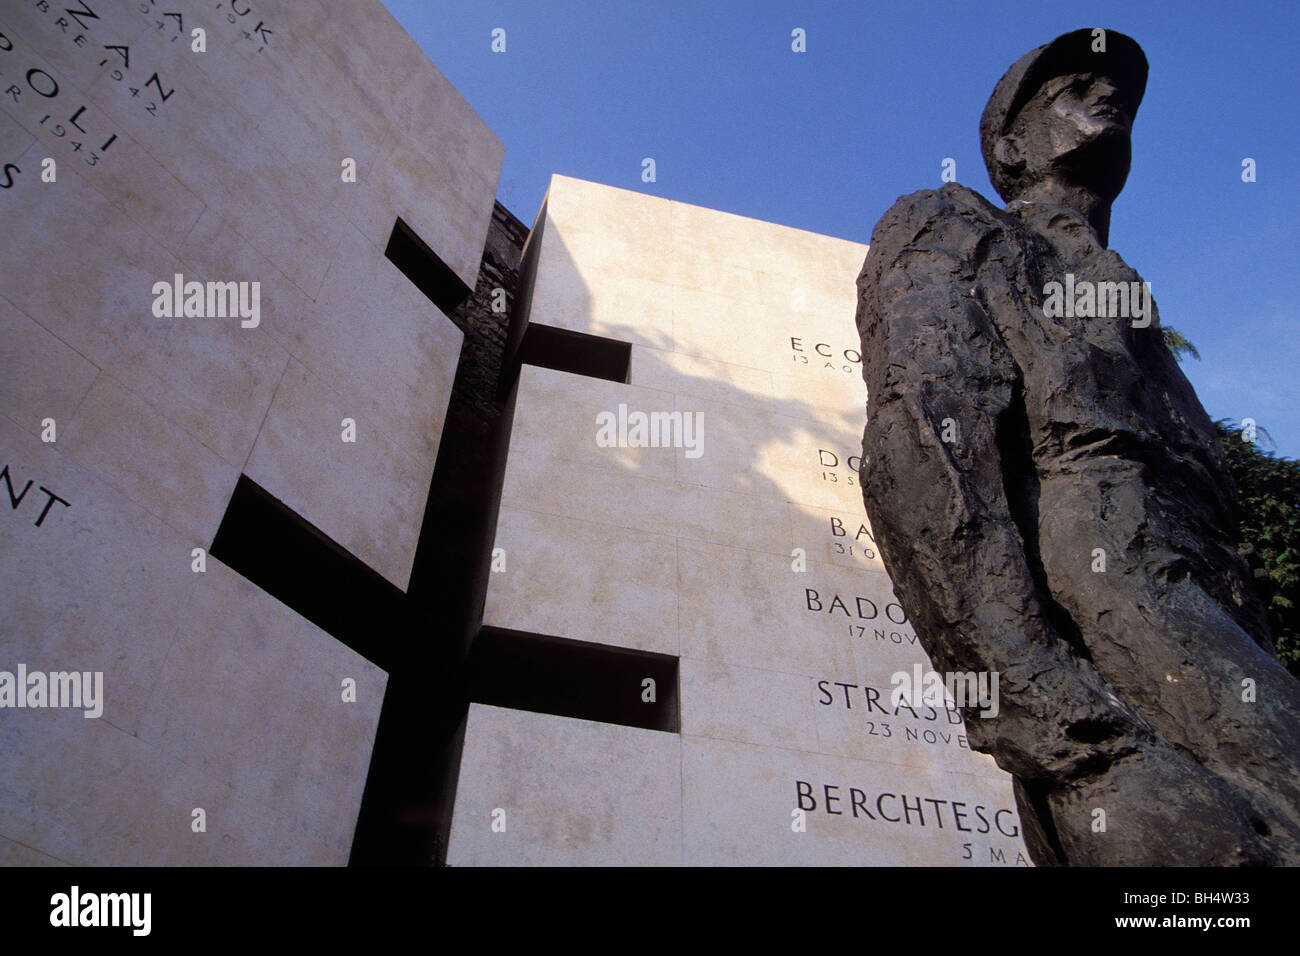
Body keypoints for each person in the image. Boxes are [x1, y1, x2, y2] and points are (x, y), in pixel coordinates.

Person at [856, 28, 1300, 865]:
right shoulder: (950, 224)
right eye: (1072, 88)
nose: (1108, 96)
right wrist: (1058, 724)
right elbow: (922, 448)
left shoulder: (1125, 292)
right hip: (1115, 589)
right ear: (1009, 145)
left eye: (1117, 90)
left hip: (1212, 608)